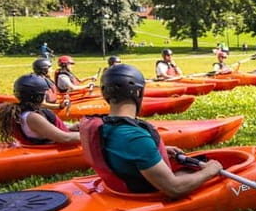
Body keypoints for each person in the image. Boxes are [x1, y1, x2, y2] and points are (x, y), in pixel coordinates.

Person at [80, 64, 222, 197]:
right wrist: (210, 171)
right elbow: (174, 188)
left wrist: (155, 150)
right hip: (144, 193)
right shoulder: (135, 138)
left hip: (118, 186)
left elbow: (121, 150)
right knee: (196, 171)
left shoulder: (105, 126)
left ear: (106, 93)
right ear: (138, 92)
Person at [0, 74, 79, 146]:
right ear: (38, 97)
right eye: (44, 94)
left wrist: (71, 127)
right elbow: (65, 138)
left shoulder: (24, 112)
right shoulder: (32, 117)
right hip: (55, 148)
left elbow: (43, 130)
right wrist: (89, 133)